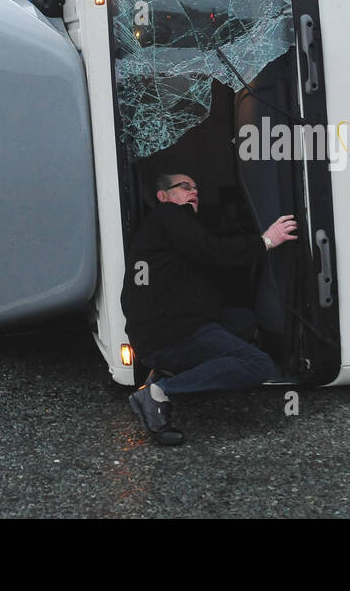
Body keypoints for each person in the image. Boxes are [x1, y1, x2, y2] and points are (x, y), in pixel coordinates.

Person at [121, 172, 298, 445]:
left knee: (243, 320)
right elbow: (215, 251)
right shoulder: (170, 214)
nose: (193, 192)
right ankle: (159, 393)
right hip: (171, 333)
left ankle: (168, 370)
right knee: (258, 365)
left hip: (162, 331)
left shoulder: (166, 229)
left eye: (196, 189)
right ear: (163, 196)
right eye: (184, 186)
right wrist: (267, 240)